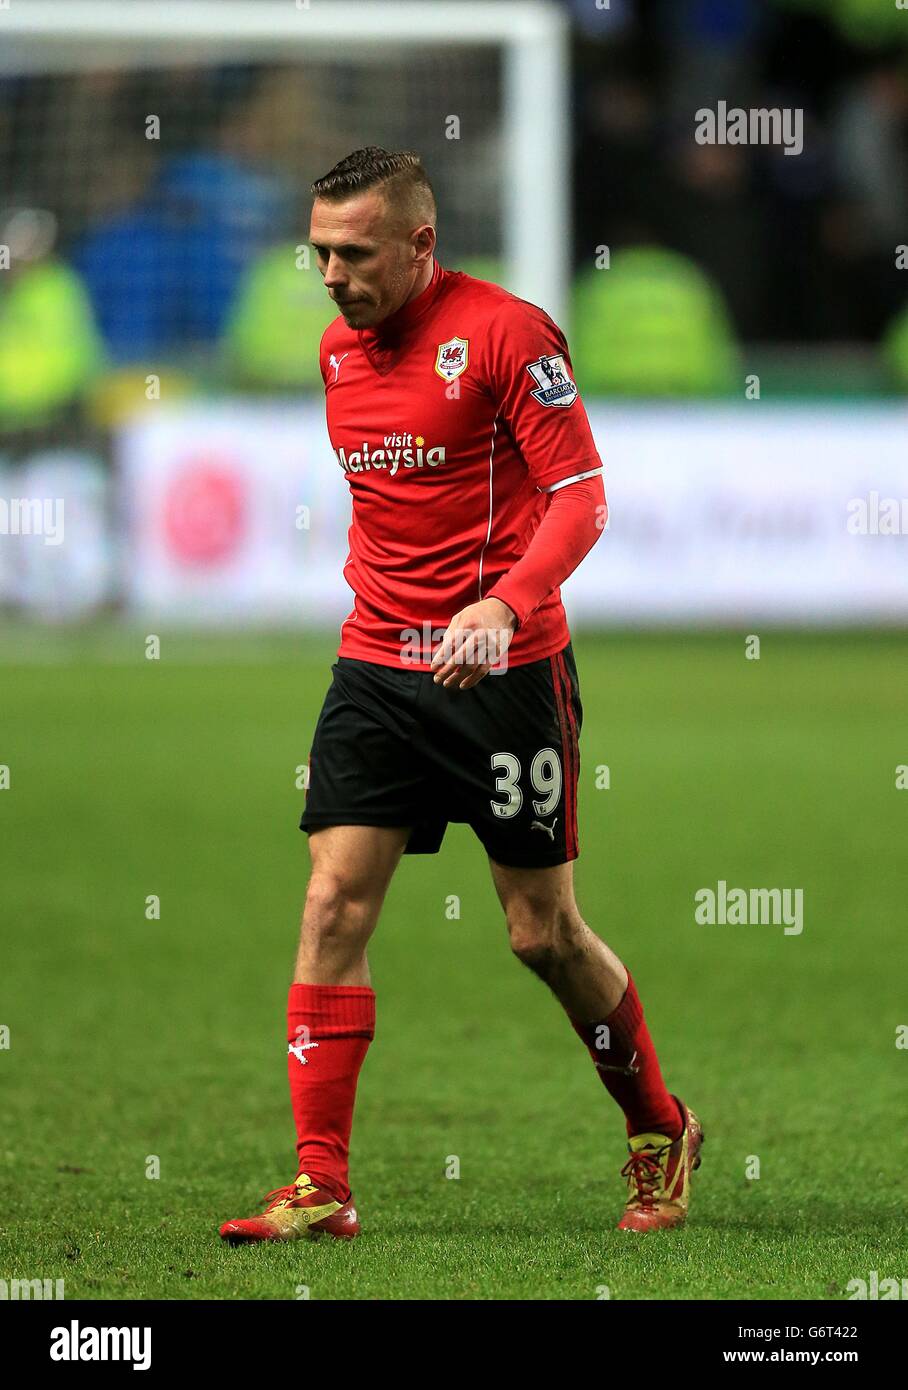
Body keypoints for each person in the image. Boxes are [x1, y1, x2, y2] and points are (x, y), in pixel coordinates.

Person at [219, 147, 703, 1244]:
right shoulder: (337, 350)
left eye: (353, 253)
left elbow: (578, 497)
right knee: (331, 902)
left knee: (540, 934)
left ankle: (654, 1126)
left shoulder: (506, 334)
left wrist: (503, 603)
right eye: (319, 252)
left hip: (504, 675)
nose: (331, 275)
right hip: (377, 669)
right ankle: (320, 1185)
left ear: (419, 243)